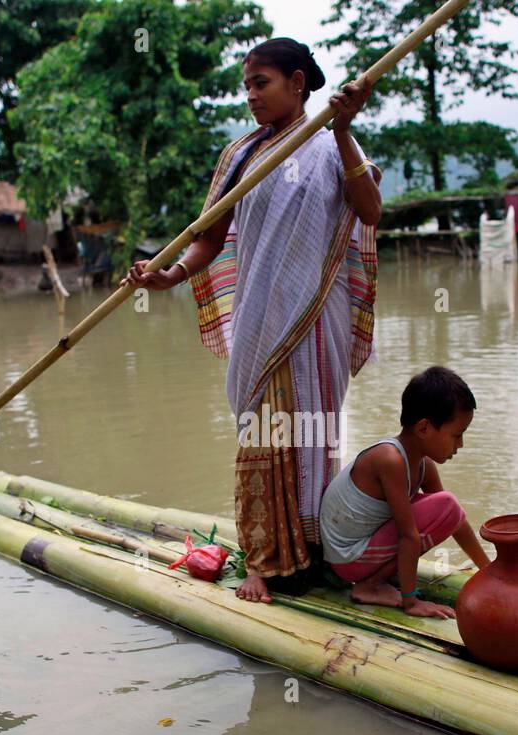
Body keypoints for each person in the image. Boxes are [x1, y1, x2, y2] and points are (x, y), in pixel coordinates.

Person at [121, 38, 383, 604]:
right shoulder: (240, 157)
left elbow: (370, 211)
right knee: (261, 436)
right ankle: (265, 561)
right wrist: (169, 277)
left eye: (260, 83)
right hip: (261, 321)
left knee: (313, 436)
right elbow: (210, 236)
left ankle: (314, 553)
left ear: (297, 83)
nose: (251, 96)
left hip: (317, 319)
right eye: (246, 87)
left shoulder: (334, 144)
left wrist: (341, 130)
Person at [318, 367, 491, 619]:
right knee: (445, 504)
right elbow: (410, 535)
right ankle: (371, 586)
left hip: (359, 549)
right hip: (348, 558)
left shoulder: (422, 461)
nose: (460, 445)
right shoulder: (391, 460)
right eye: (457, 435)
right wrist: (411, 602)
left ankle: (377, 579)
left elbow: (453, 520)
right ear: (424, 428)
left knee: (443, 506)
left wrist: (488, 571)